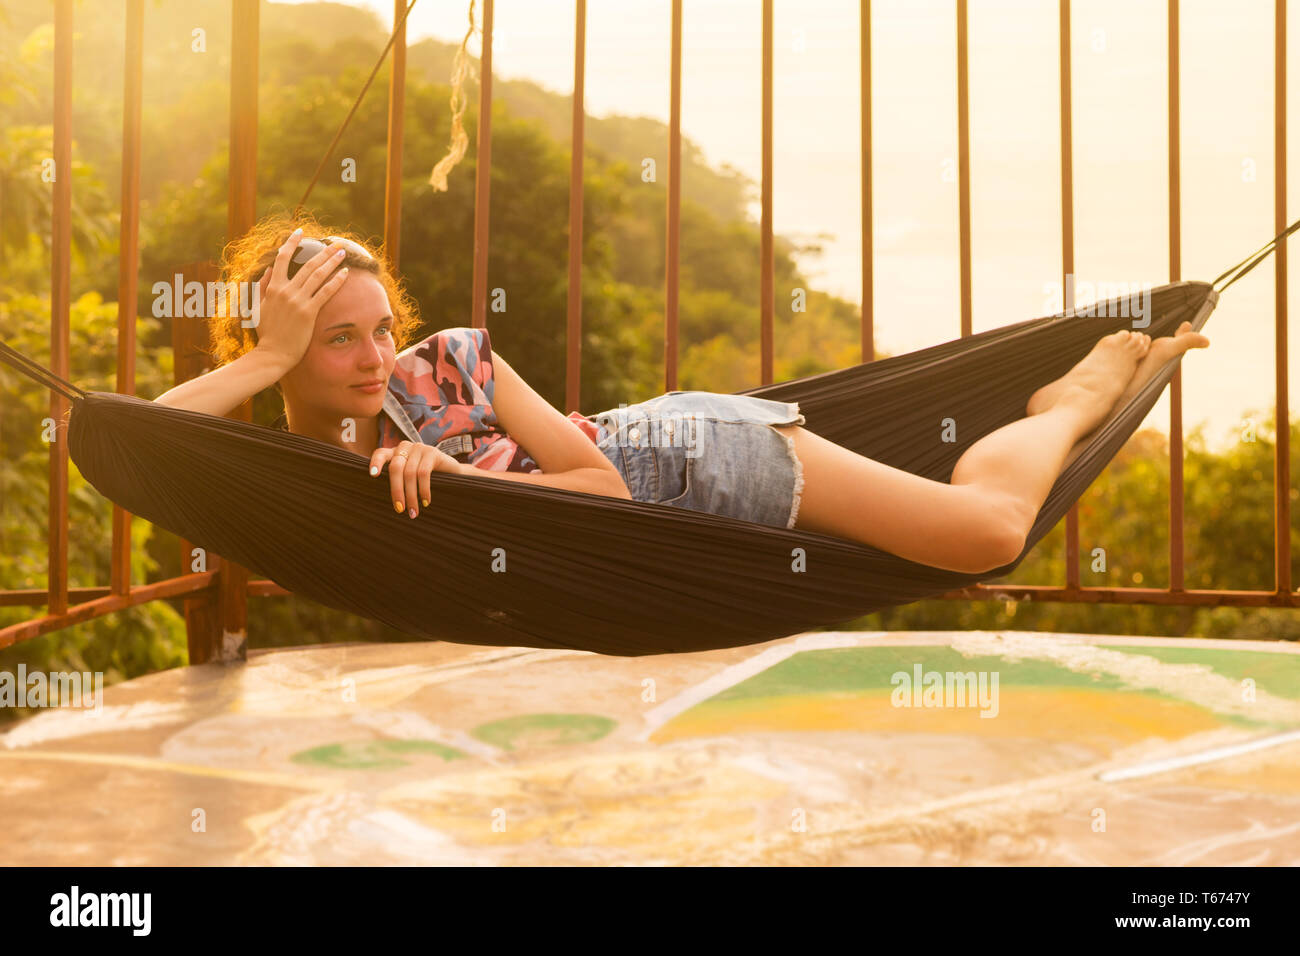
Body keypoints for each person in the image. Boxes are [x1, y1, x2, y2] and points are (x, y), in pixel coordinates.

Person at [155, 223, 1210, 576]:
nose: (376, 356)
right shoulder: (296, 448)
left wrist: (461, 484)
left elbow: (606, 490)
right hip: (672, 484)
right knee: (974, 533)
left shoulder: (444, 368)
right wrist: (263, 357)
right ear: (282, 345)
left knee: (988, 535)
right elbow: (143, 445)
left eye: (380, 325)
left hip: (693, 458)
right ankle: (1047, 407)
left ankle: (1066, 398)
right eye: (338, 338)